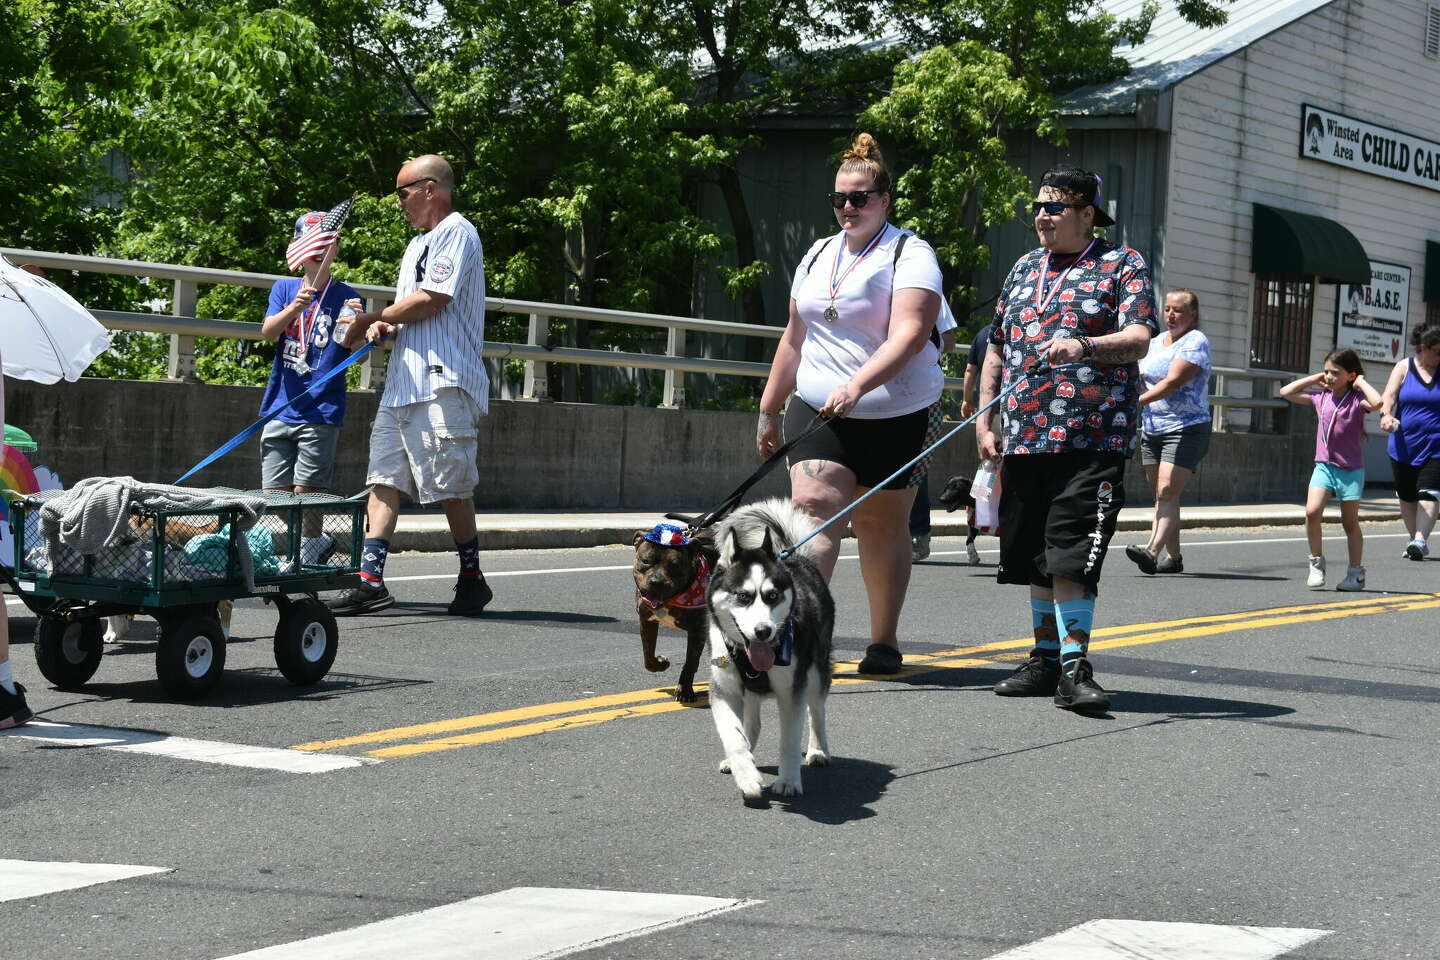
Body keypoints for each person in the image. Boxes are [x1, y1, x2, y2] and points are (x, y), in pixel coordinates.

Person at [756, 133, 944, 676]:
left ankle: (883, 640)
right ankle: (797, 633)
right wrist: (770, 407)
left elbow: (911, 333)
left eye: (859, 198)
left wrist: (859, 384)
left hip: (896, 412)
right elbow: (794, 336)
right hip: (819, 407)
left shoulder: (910, 254)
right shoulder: (817, 253)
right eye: (838, 198)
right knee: (813, 513)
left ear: (884, 199)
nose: (847, 208)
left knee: (882, 526)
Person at [977, 163, 1158, 713]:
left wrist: (1085, 345)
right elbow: (997, 346)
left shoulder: (1121, 264)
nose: (1041, 216)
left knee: (1071, 553)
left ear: (1086, 213)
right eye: (1037, 206)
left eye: (1054, 207)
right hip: (1027, 434)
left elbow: (1140, 338)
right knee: (1035, 553)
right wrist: (986, 419)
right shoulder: (1024, 267)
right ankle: (1044, 660)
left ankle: (1077, 667)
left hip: (1092, 438)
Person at [329, 154, 493, 617]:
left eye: (402, 193)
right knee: (383, 479)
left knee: (451, 484)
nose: (398, 203)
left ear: (430, 189)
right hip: (403, 382)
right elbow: (413, 311)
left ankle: (471, 576)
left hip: (442, 381)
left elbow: (433, 299)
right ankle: (369, 580)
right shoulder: (416, 246)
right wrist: (387, 328)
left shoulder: (458, 231)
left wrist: (372, 317)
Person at [259, 212, 362, 565]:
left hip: (321, 408)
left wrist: (357, 326)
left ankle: (304, 553)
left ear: (335, 248)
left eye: (325, 244)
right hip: (279, 405)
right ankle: (315, 542)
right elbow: (269, 332)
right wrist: (294, 307)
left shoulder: (347, 296)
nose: (318, 251)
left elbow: (358, 355)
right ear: (298, 249)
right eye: (310, 244)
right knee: (274, 494)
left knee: (308, 491)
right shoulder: (284, 289)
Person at [1125, 289, 1213, 575]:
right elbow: (1137, 377)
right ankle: (1174, 557)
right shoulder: (1154, 343)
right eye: (1167, 309)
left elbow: (1173, 381)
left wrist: (1134, 402)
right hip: (1152, 427)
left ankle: (1151, 551)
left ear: (1192, 314)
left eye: (1178, 310)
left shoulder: (1195, 341)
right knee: (1164, 495)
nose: (1171, 315)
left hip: (1186, 427)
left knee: (1166, 491)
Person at [1280, 348, 1382, 591]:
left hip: (1350, 470)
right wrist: (1314, 378)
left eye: (1335, 373)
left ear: (1350, 375)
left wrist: (1361, 383)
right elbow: (1286, 392)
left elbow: (1378, 402)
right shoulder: (1321, 397)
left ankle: (1355, 574)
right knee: (1312, 512)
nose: (1329, 376)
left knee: (1349, 523)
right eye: (1327, 371)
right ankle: (1316, 564)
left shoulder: (1357, 400)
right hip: (1324, 466)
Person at [1379, 324, 1440, 560]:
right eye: (1437, 351)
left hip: (1436, 445)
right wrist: (1386, 415)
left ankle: (1420, 539)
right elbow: (1390, 395)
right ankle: (1415, 539)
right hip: (1404, 443)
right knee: (1407, 495)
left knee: (1430, 491)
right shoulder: (1404, 367)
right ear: (1423, 348)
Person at [909, 301, 958, 563]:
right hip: (867, 390)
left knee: (914, 465)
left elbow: (948, 340)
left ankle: (917, 533)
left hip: (920, 394)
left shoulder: (925, 284)